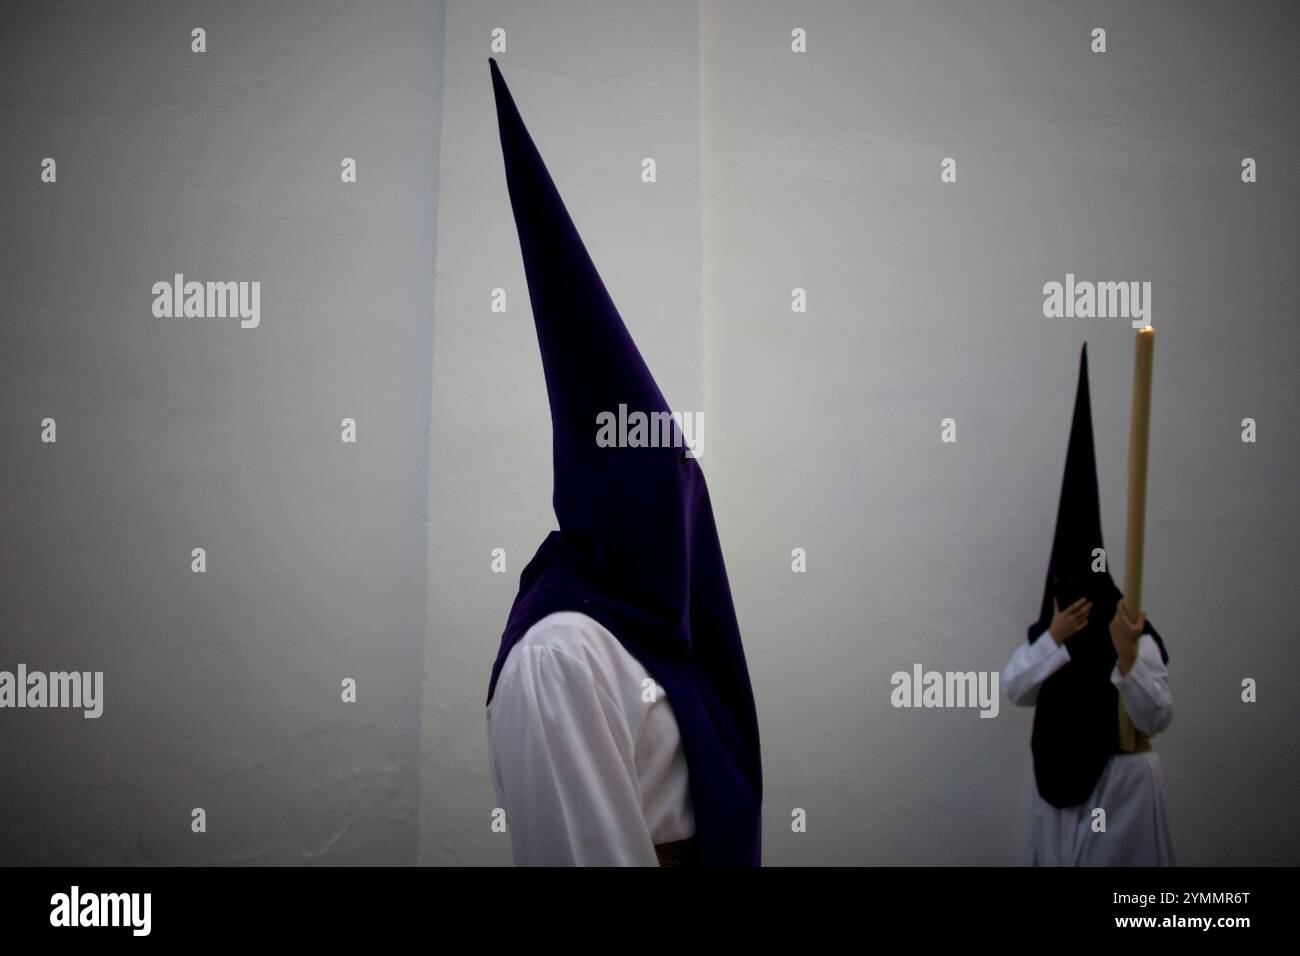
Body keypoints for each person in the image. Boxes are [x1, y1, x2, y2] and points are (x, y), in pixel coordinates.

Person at [482, 59, 762, 867]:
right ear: (611, 494)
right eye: (661, 482)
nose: (684, 512)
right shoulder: (563, 659)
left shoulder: (651, 648)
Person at [1003, 345, 1175, 866]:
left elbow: (1158, 714)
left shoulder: (1126, 625)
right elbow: (1014, 688)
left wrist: (1126, 656)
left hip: (1118, 794)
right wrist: (1052, 638)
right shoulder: (1050, 631)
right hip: (1052, 795)